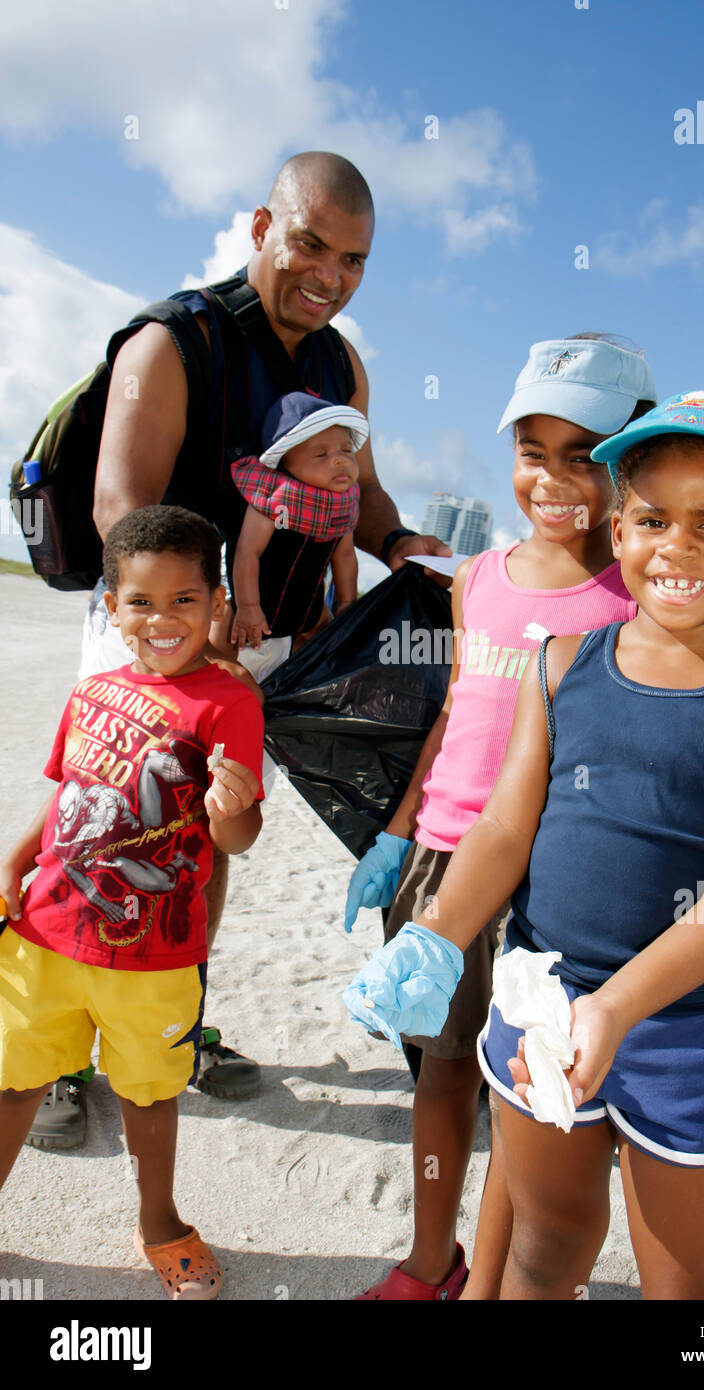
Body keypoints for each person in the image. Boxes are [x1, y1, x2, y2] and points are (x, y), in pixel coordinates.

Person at [345, 391, 704, 1300]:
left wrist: (617, 1010)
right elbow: (502, 826)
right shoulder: (561, 661)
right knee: (545, 1244)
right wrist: (436, 933)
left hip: (689, 1030)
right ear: (621, 521)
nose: (676, 546)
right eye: (651, 517)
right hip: (543, 1003)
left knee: (690, 1291)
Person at [33, 150, 450, 1146]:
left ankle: (174, 1017)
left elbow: (354, 488)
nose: (330, 275)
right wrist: (206, 607)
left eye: (353, 259)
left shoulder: (339, 364)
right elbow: (118, 503)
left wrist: (395, 545)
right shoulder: (173, 340)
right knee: (97, 829)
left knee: (206, 837)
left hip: (258, 648)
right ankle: (56, 1048)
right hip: (154, 628)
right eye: (311, 243)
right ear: (261, 226)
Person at [343, 336, 657, 1299]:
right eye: (534, 450)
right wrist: (397, 831)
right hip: (443, 863)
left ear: (629, 461)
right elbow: (450, 716)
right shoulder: (476, 580)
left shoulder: (636, 596)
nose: (554, 479)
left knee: (529, 1097)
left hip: (554, 883)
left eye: (584, 453)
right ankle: (430, 1262)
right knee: (438, 1079)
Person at [0, 506, 264, 1299]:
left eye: (185, 600)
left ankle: (160, 1220)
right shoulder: (94, 690)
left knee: (149, 1092)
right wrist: (13, 859)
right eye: (140, 602)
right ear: (109, 608)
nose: (162, 619)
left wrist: (234, 807)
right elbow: (64, 796)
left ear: (217, 603)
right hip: (42, 935)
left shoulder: (229, 702)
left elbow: (239, 839)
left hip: (151, 955)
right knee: (14, 1082)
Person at [229, 391, 367, 678]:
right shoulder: (274, 496)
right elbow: (247, 552)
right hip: (253, 602)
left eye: (346, 450)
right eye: (321, 454)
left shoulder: (341, 504)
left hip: (307, 608)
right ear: (286, 464)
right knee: (223, 643)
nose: (340, 461)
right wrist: (248, 606)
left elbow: (344, 556)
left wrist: (347, 604)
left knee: (328, 649)